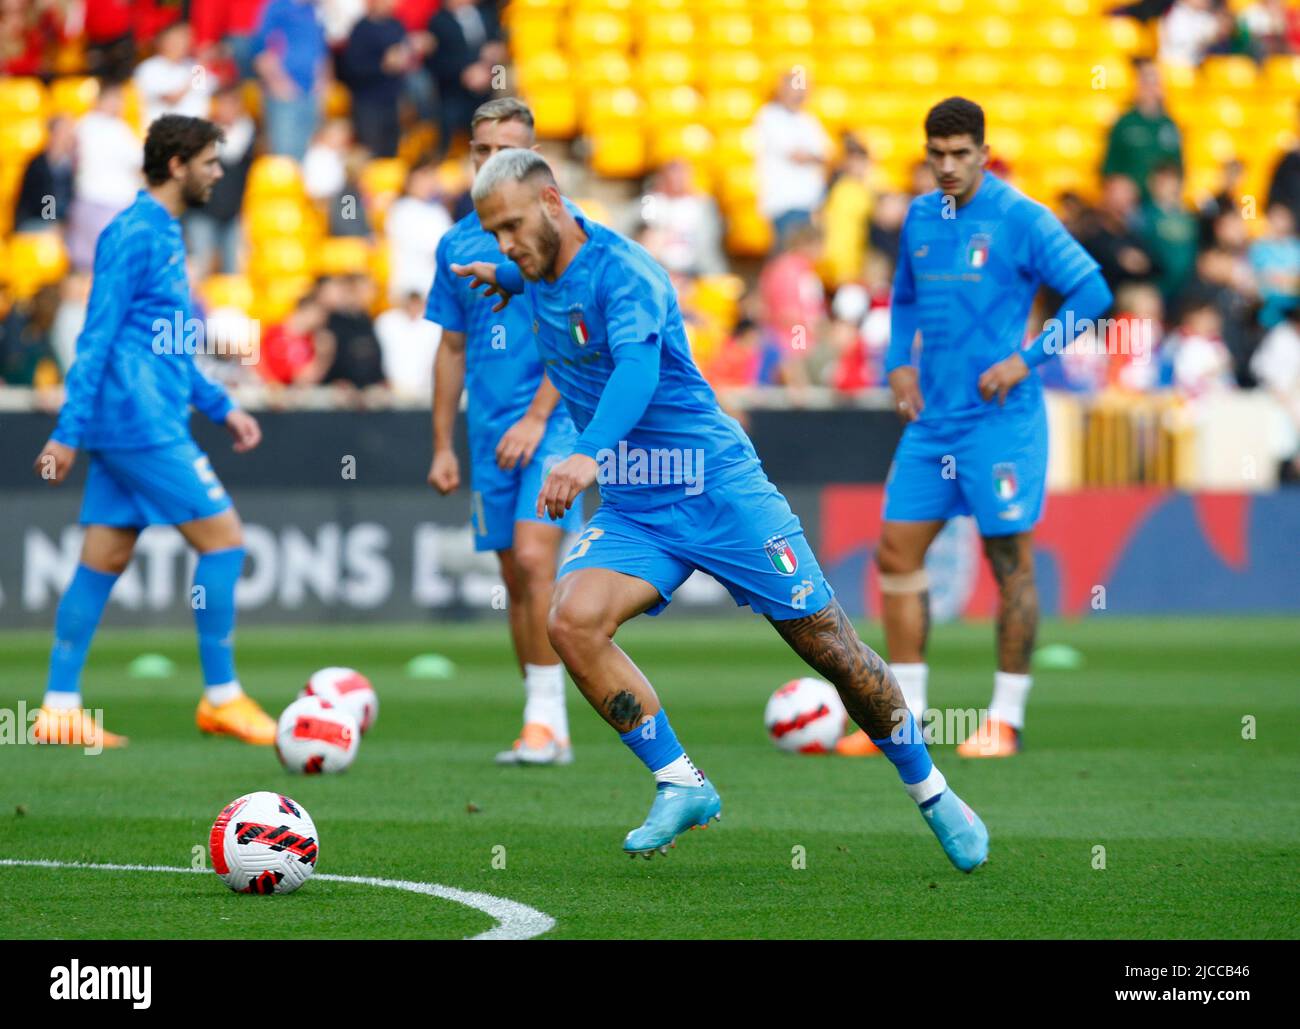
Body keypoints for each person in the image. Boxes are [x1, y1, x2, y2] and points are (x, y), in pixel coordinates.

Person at [450, 147, 989, 872]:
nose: (505, 243)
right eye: (493, 234)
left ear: (552, 203)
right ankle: (681, 782)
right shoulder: (534, 267)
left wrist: (585, 454)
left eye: (512, 226)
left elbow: (638, 368)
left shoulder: (627, 271)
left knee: (831, 646)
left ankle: (931, 788)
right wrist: (501, 273)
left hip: (718, 487)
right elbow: (534, 273)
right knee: (570, 620)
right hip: (639, 503)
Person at [837, 97, 1112, 760]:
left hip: (1000, 424)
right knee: (896, 553)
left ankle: (1005, 719)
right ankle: (904, 717)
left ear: (984, 153)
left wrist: (1027, 358)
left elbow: (1095, 294)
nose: (949, 166)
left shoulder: (1020, 217)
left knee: (1008, 561)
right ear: (926, 153)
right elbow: (903, 296)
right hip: (934, 424)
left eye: (962, 154)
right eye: (938, 154)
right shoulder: (920, 216)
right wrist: (898, 361)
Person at [30, 114, 274, 749]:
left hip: (144, 418)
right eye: (211, 163)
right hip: (138, 424)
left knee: (105, 556)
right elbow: (96, 336)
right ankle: (222, 697)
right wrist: (67, 432)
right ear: (177, 164)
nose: (219, 173)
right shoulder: (133, 232)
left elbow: (170, 344)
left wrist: (223, 407)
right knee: (224, 541)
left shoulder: (165, 232)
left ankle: (58, 707)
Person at [425, 98, 583, 765]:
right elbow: (451, 349)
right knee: (514, 578)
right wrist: (440, 444)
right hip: (490, 432)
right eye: (480, 151)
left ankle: (546, 722)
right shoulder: (456, 242)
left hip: (554, 420)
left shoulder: (562, 234)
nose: (490, 164)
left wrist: (538, 416)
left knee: (533, 558)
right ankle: (541, 718)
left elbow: (579, 338)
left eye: (506, 152)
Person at [754, 71, 828, 246]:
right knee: (788, 254)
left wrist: (815, 156)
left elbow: (827, 154)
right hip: (785, 202)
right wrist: (815, 156)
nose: (800, 95)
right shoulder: (770, 116)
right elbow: (797, 155)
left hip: (809, 202)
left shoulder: (808, 119)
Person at [251, 0, 330, 161]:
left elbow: (321, 51)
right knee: (285, 160)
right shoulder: (277, 7)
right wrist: (279, 84)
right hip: (285, 96)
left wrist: (322, 83)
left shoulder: (314, 11)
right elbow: (261, 50)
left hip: (312, 95)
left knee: (310, 159)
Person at [1101, 59, 1183, 202]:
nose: (1150, 88)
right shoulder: (1124, 123)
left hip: (1161, 203)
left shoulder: (1170, 126)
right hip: (1130, 204)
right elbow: (1110, 170)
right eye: (1146, 81)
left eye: (1154, 82)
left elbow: (1179, 170)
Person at [14, 116, 77, 233]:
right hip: (36, 221)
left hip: (58, 222)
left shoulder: (67, 164)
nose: (68, 137)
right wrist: (53, 221)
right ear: (52, 135)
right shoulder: (39, 164)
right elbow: (45, 197)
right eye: (64, 132)